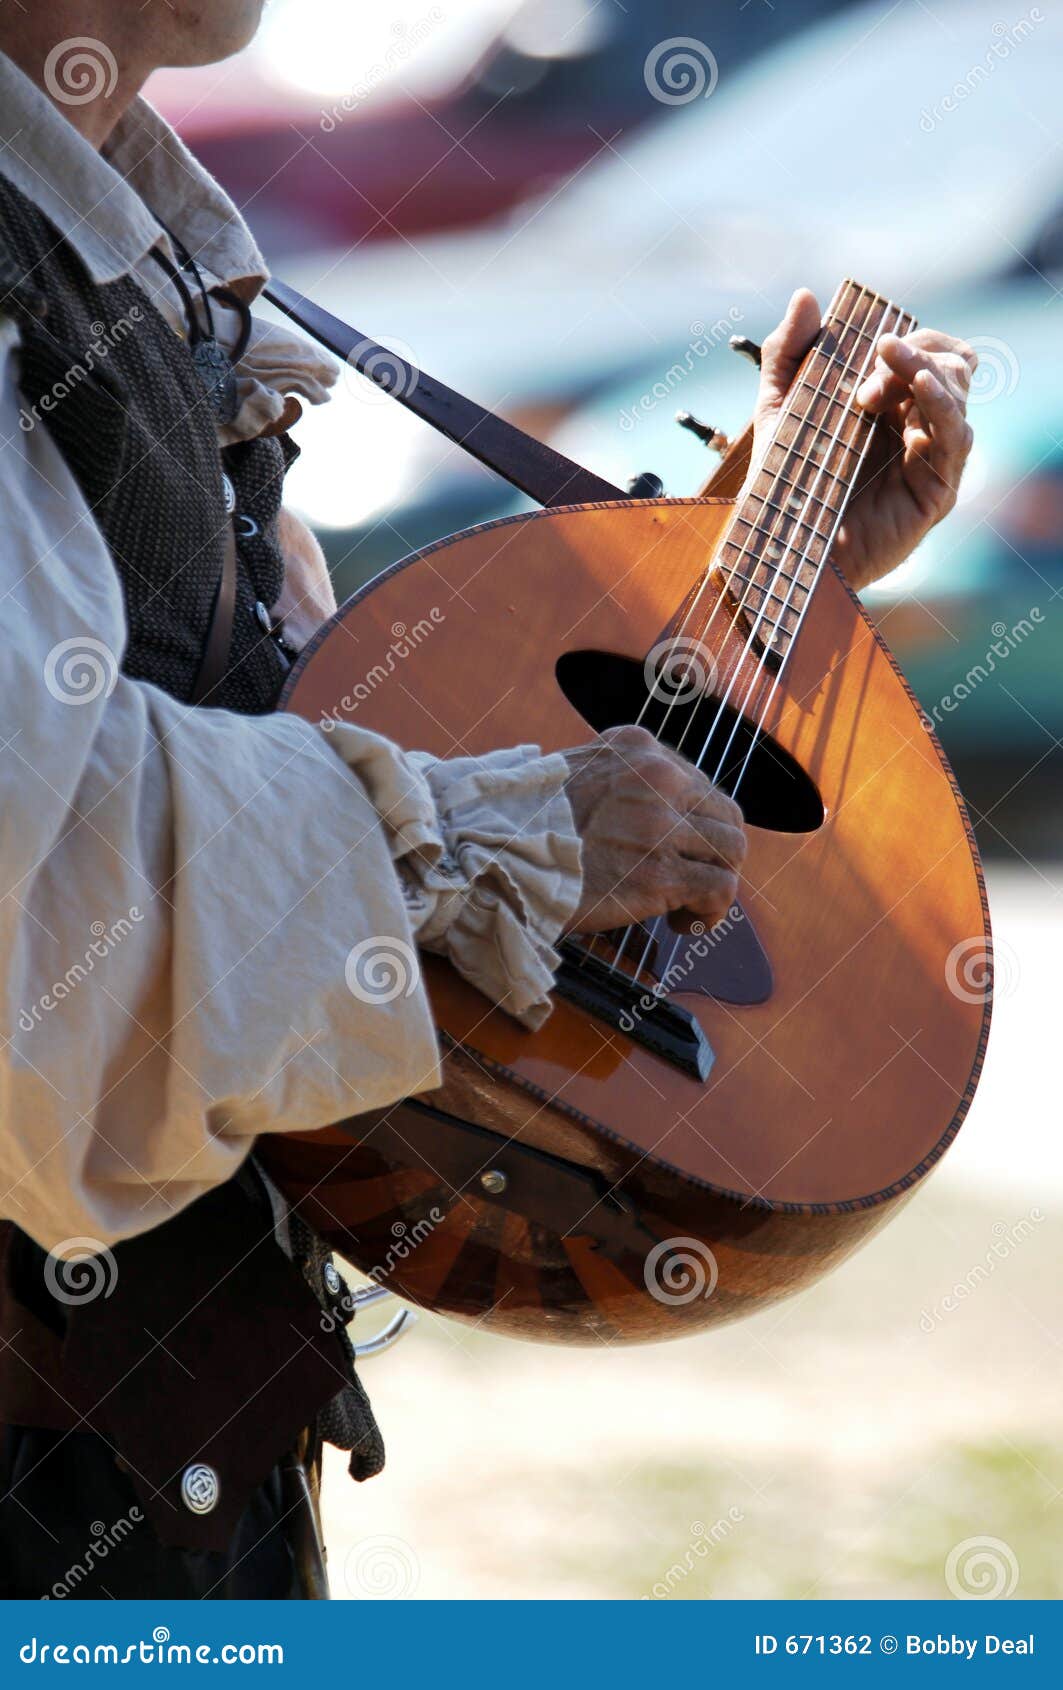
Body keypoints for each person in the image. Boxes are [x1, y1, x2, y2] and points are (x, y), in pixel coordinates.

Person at [0, 1, 977, 1599]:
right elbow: (34, 860)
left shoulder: (122, 236)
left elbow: (311, 713)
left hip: (165, 1449)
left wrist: (756, 573)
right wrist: (487, 839)